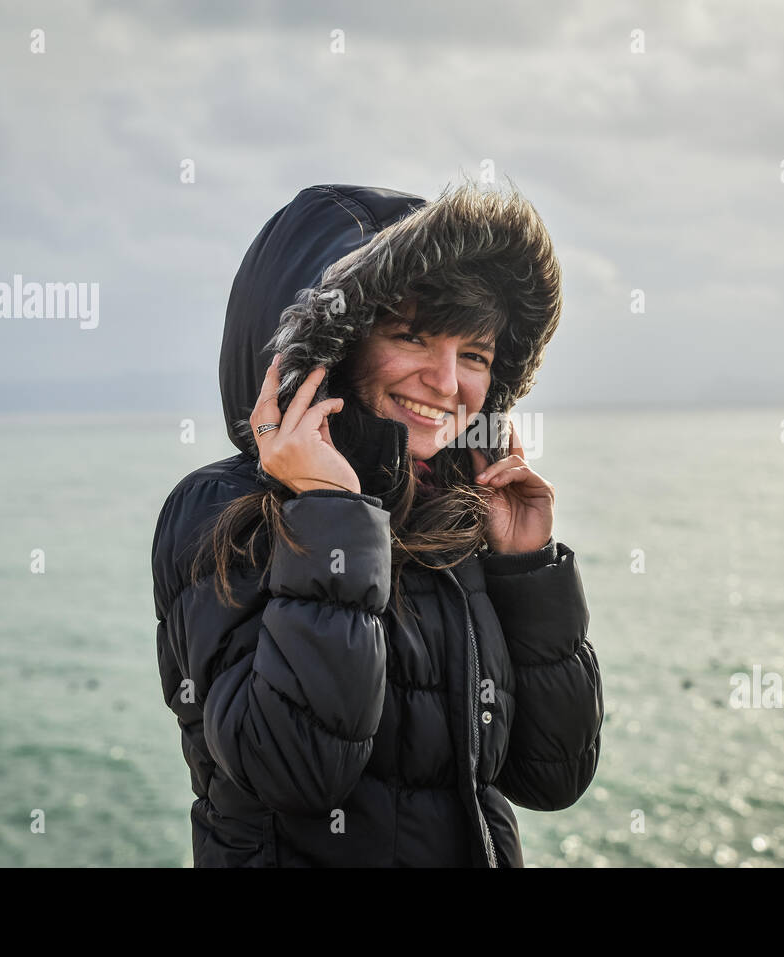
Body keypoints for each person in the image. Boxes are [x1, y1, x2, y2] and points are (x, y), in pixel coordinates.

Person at [151, 179, 603, 867]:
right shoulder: (222, 507)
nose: (448, 381)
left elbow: (552, 774)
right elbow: (294, 769)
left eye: (475, 353)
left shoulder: (453, 517)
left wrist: (524, 568)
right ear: (330, 347)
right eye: (413, 335)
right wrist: (333, 520)